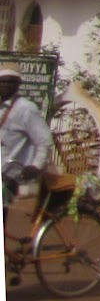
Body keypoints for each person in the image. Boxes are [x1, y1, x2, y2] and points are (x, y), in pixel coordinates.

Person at [0, 64, 51, 220]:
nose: (7, 85)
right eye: (3, 81)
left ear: (18, 85)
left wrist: (36, 165)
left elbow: (44, 140)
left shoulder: (26, 109)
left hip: (7, 174)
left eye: (12, 82)